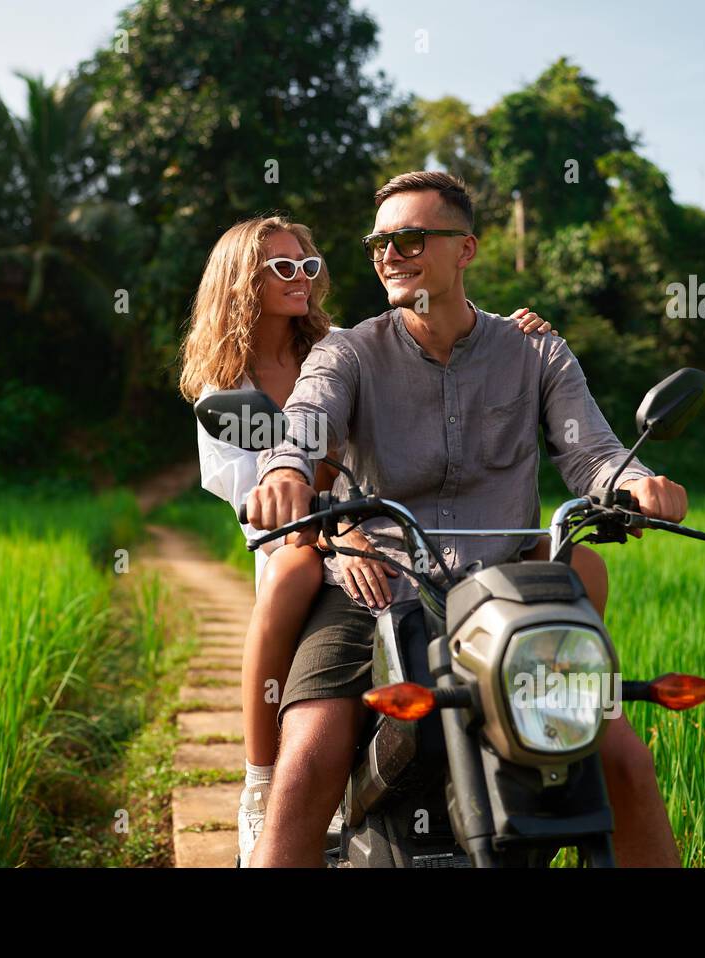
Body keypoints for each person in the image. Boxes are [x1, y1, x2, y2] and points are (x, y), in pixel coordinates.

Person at [243, 171, 689, 868]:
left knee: (623, 759)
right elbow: (305, 421)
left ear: (466, 250)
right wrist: (284, 471)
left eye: (411, 238)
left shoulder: (535, 351)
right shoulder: (349, 351)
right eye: (380, 243)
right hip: (376, 591)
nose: (391, 253)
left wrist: (636, 484)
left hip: (507, 602)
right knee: (309, 752)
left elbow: (593, 451)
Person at [178, 213, 556, 866]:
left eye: (308, 264)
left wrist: (511, 334)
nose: (302, 277)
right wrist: (337, 530)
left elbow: (428, 337)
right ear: (242, 282)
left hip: (370, 516)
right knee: (297, 569)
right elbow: (262, 506)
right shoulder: (226, 386)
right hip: (290, 533)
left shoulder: (337, 347)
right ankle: (260, 780)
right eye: (282, 267)